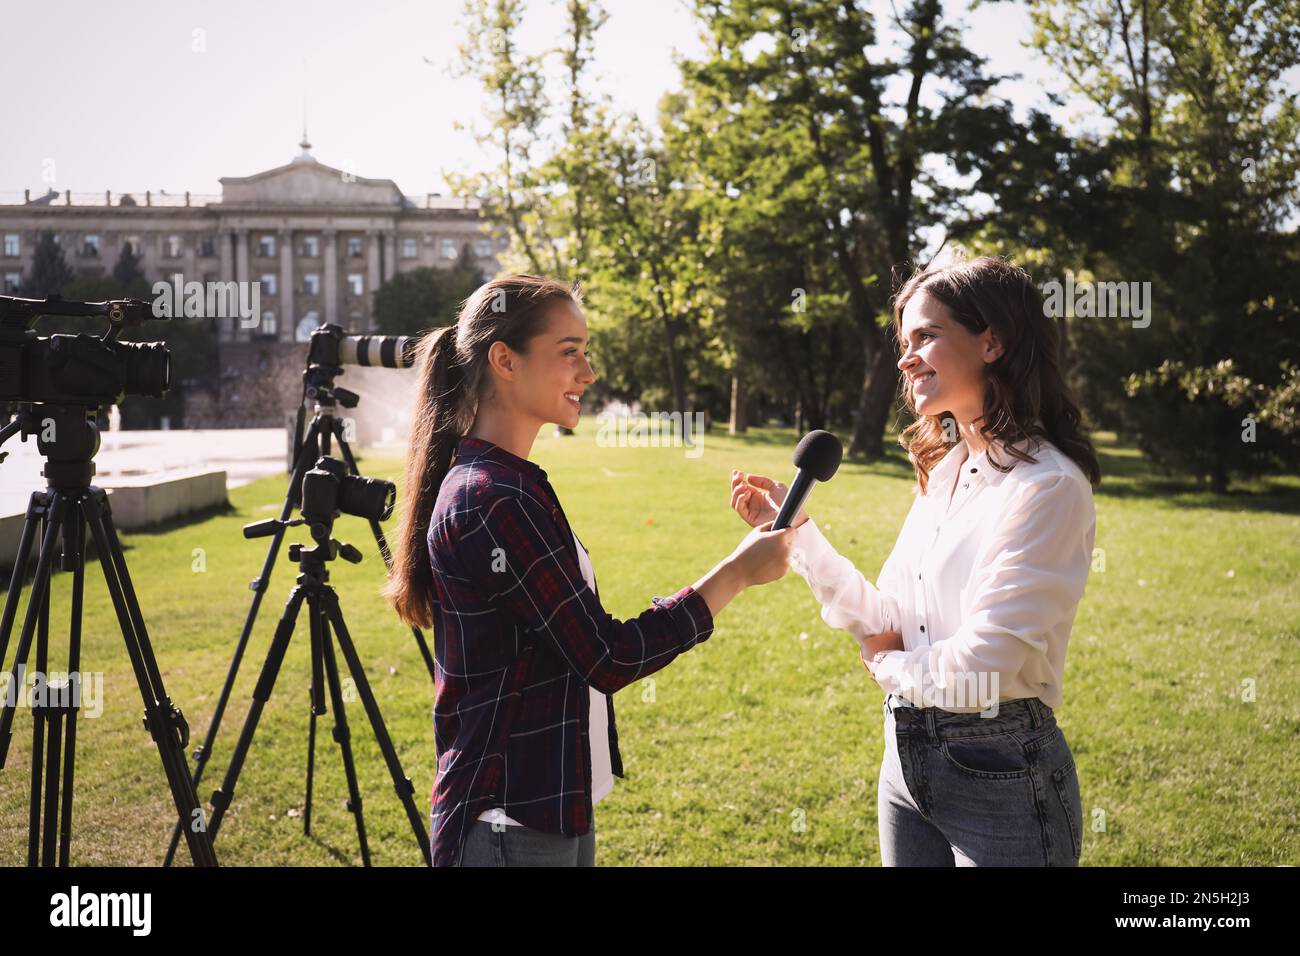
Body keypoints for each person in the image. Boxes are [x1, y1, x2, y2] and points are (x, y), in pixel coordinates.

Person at [384, 274, 795, 867]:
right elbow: (608, 656)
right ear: (505, 359)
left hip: (552, 808)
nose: (589, 372)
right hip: (508, 823)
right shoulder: (492, 499)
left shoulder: (513, 483)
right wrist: (736, 573)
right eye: (569, 352)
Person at [731, 255, 1100, 866]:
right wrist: (799, 531)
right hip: (904, 764)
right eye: (905, 340)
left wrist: (890, 670)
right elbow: (887, 616)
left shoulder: (1048, 487)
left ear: (993, 341)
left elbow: (987, 661)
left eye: (925, 335)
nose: (905, 358)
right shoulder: (944, 473)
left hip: (1001, 772)